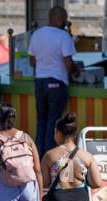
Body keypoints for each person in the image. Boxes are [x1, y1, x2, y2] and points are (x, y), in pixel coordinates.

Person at [28, 6, 77, 157]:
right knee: (53, 122)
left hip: (40, 82)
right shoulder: (63, 36)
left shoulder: (37, 34)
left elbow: (32, 61)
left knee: (41, 121)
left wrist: (46, 63)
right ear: (60, 19)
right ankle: (49, 159)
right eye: (64, 20)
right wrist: (76, 71)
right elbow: (68, 63)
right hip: (57, 83)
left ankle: (39, 157)